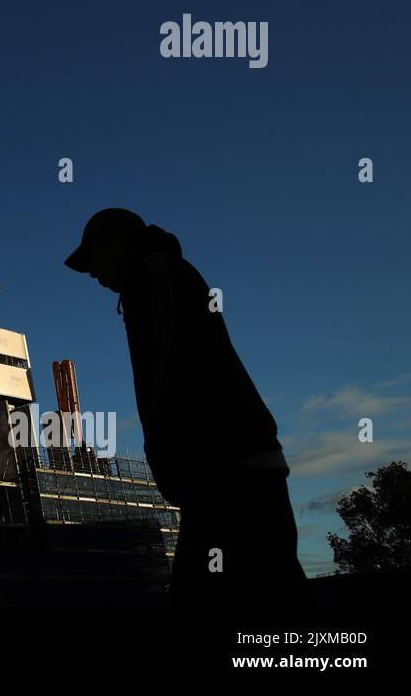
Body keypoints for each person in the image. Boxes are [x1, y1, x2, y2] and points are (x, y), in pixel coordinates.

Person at [64, 208, 306, 602]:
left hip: (227, 472)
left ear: (117, 244)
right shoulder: (155, 277)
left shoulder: (155, 275)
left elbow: (169, 371)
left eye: (93, 260)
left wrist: (168, 456)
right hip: (233, 469)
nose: (92, 273)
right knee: (274, 584)